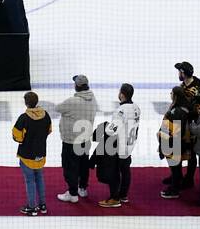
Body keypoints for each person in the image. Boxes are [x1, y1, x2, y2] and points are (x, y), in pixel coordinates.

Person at [98, 83, 140, 208]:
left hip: (119, 145)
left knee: (114, 172)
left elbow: (112, 130)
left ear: (122, 94)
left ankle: (114, 198)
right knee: (126, 170)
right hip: (130, 144)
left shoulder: (121, 110)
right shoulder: (136, 108)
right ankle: (123, 195)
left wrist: (104, 128)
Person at [56, 74, 96, 203]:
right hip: (85, 139)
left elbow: (57, 108)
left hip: (71, 141)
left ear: (77, 86)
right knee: (83, 165)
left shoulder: (72, 101)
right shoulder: (92, 98)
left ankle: (72, 194)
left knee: (70, 167)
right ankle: (82, 189)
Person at [12, 91, 53, 215]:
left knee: (30, 181)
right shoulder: (46, 115)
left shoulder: (23, 118)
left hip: (27, 156)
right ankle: (42, 205)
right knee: (39, 178)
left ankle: (31, 207)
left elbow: (17, 136)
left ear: (26, 103)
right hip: (41, 154)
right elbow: (49, 130)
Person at [174, 62, 200, 188]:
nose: (178, 74)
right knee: (177, 149)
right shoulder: (182, 86)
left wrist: (186, 114)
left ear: (183, 73)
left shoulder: (198, 90)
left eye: (179, 72)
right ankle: (176, 175)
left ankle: (189, 179)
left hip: (191, 127)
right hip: (180, 125)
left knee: (191, 153)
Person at [158, 87, 192, 200]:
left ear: (176, 95)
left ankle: (174, 190)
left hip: (174, 143)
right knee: (175, 167)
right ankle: (175, 182)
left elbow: (177, 131)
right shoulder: (178, 108)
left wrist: (168, 144)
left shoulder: (178, 111)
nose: (170, 94)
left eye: (172, 93)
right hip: (173, 141)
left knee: (175, 167)